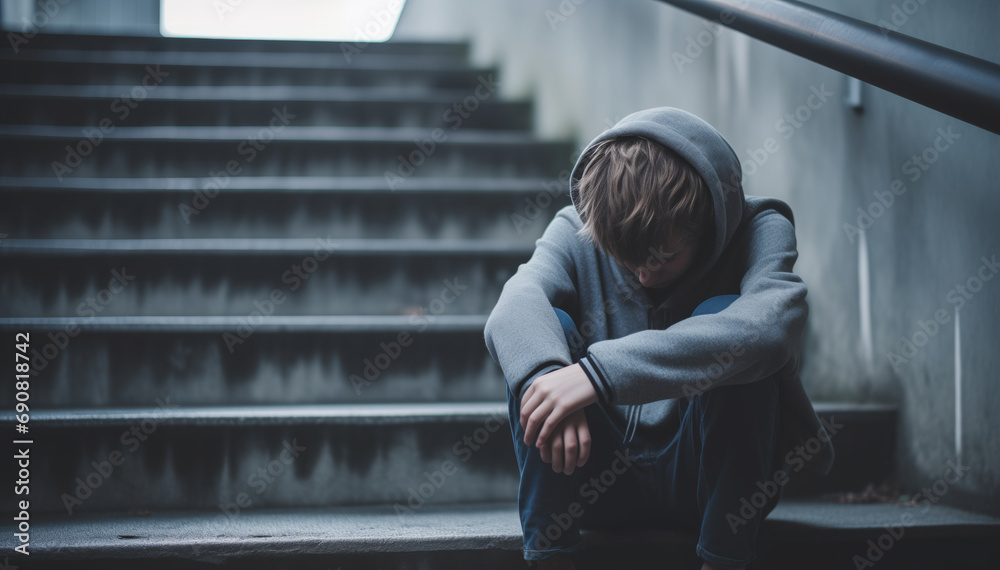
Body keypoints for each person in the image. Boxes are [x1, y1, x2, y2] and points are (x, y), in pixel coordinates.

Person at [483, 107, 835, 569]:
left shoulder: (760, 227)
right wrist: (549, 376)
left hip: (708, 485)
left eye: (664, 258)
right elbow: (513, 306)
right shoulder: (575, 227)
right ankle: (551, 560)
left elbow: (771, 328)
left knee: (728, 322)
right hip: (592, 479)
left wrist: (596, 375)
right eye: (626, 260)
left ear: (706, 222)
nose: (644, 275)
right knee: (543, 342)